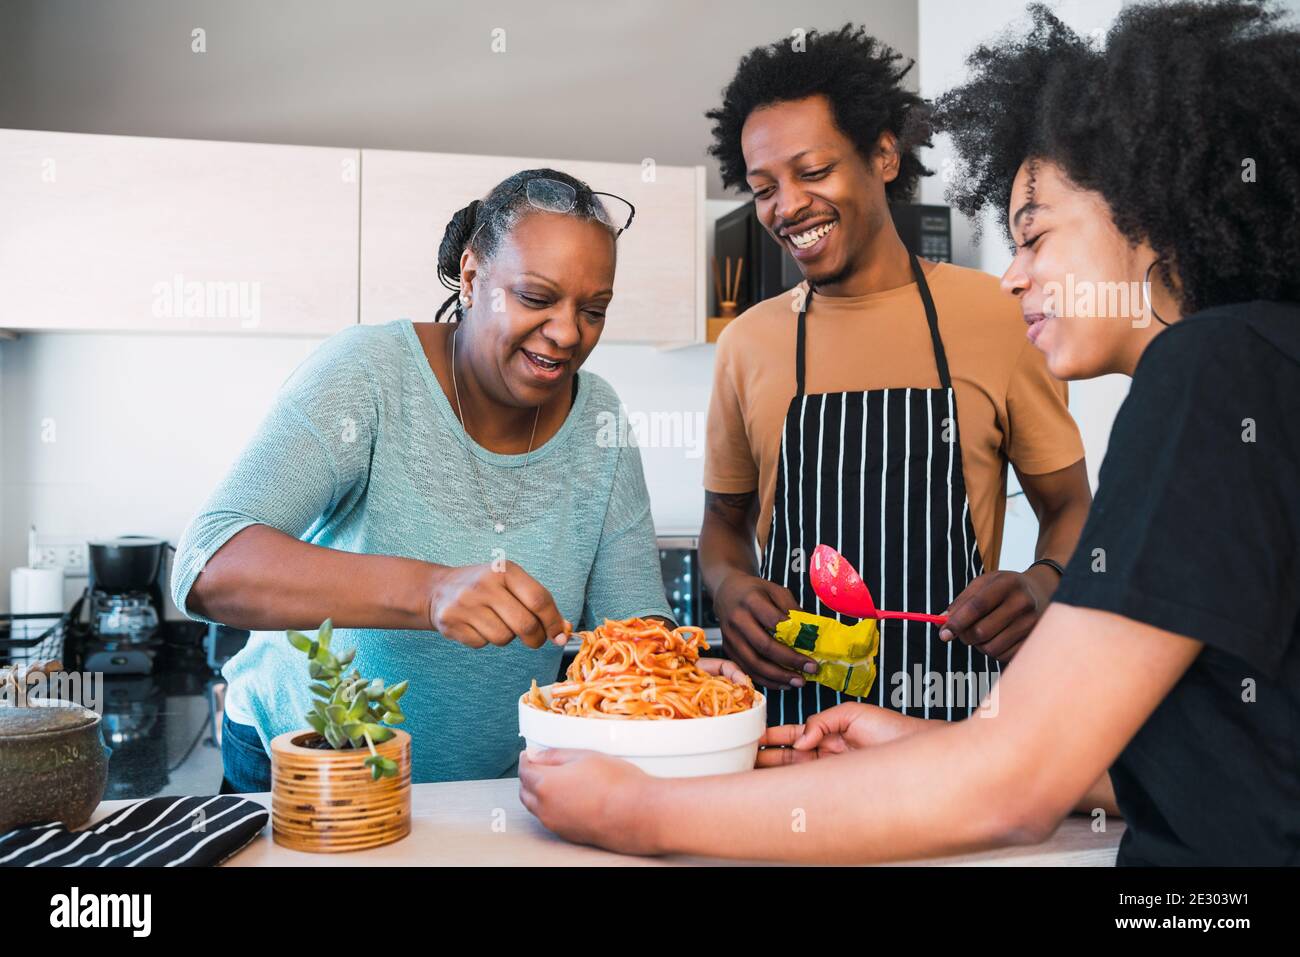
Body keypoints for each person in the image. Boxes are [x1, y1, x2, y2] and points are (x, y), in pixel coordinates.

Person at [519, 0, 1300, 866]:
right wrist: (928, 742)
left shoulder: (1206, 373)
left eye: (1034, 235)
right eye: (763, 186)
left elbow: (1015, 781)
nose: (1013, 275)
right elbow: (1232, 754)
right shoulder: (1258, 364)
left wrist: (644, 815)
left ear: (1150, 206)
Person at [172, 169, 695, 789]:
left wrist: (685, 682)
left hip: (494, 785)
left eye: (593, 309)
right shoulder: (368, 373)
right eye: (535, 298)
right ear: (473, 278)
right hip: (308, 762)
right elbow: (207, 568)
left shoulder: (599, 418)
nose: (567, 333)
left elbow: (633, 620)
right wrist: (430, 592)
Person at [699, 25, 1093, 729]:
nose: (786, 207)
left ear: (883, 154)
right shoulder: (748, 343)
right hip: (792, 735)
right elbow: (723, 526)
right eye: (764, 189)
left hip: (957, 735)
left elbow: (1071, 507)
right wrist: (729, 587)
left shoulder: (999, 317)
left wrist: (1042, 584)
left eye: (812, 172)